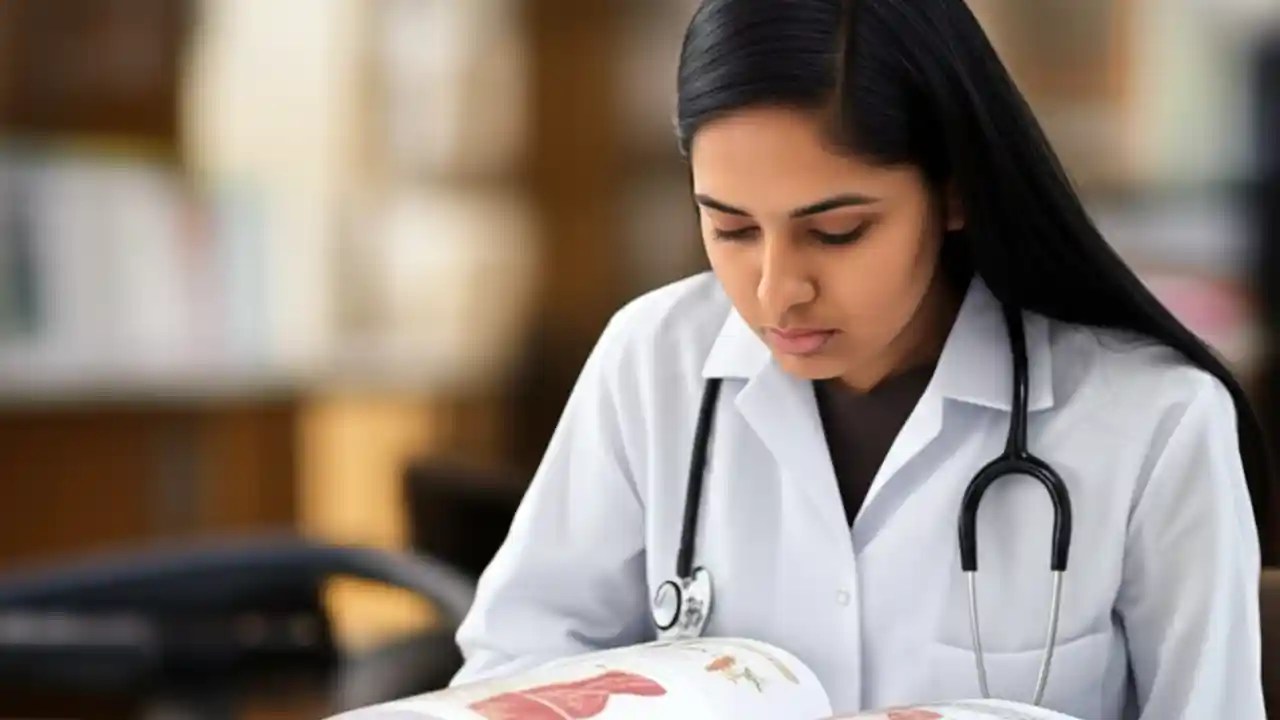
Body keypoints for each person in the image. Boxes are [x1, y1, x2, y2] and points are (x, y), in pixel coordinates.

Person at [449, 1, 1271, 717]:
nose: (777, 291)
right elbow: (515, 674)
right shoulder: (652, 361)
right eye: (731, 228)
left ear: (954, 191)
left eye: (836, 232)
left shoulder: (1154, 421)